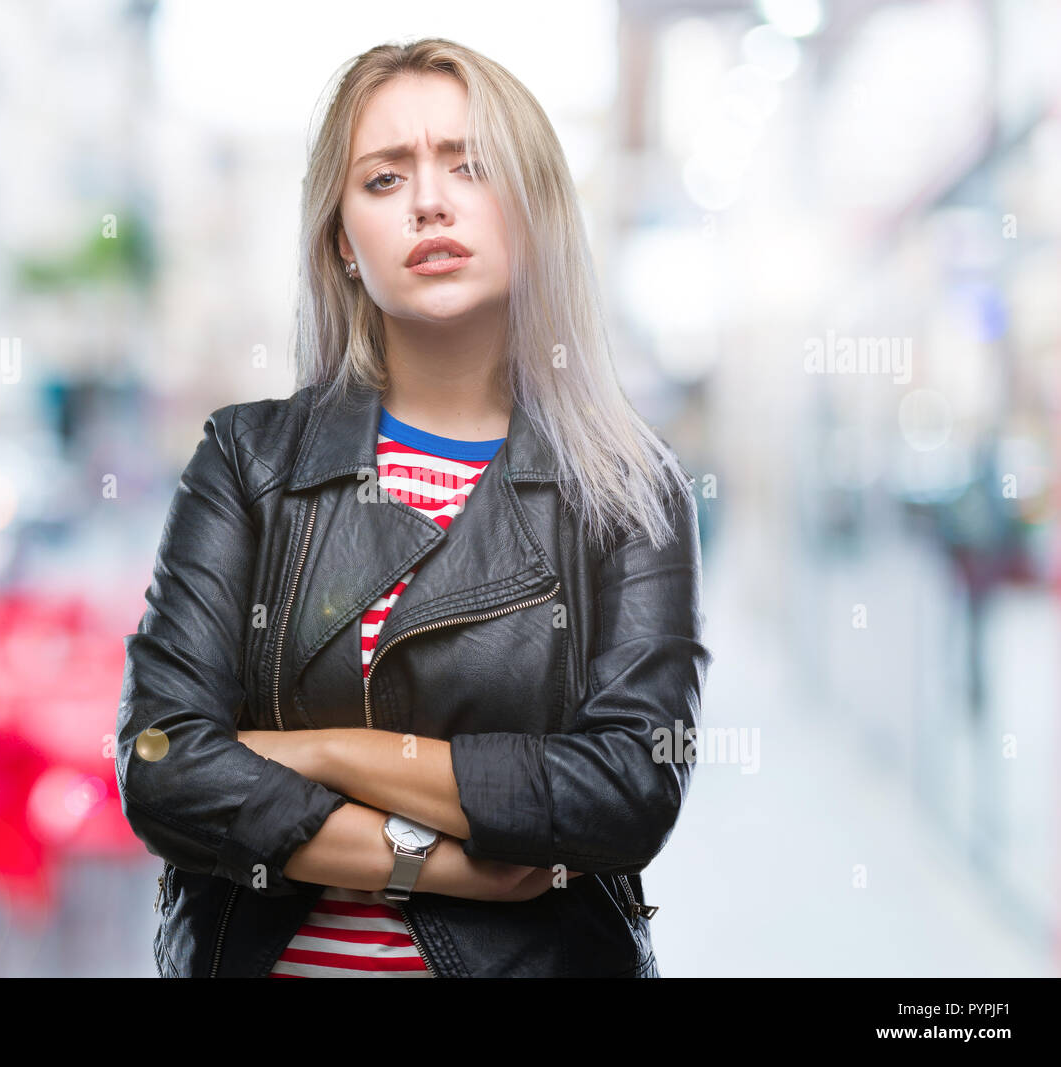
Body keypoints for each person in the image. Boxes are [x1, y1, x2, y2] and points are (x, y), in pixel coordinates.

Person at [117, 37, 712, 978]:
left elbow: (626, 789)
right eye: (384, 179)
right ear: (344, 243)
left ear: (537, 207)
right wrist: (439, 860)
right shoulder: (248, 460)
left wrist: (330, 751)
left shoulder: (626, 486)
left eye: (470, 165)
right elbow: (161, 761)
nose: (429, 200)